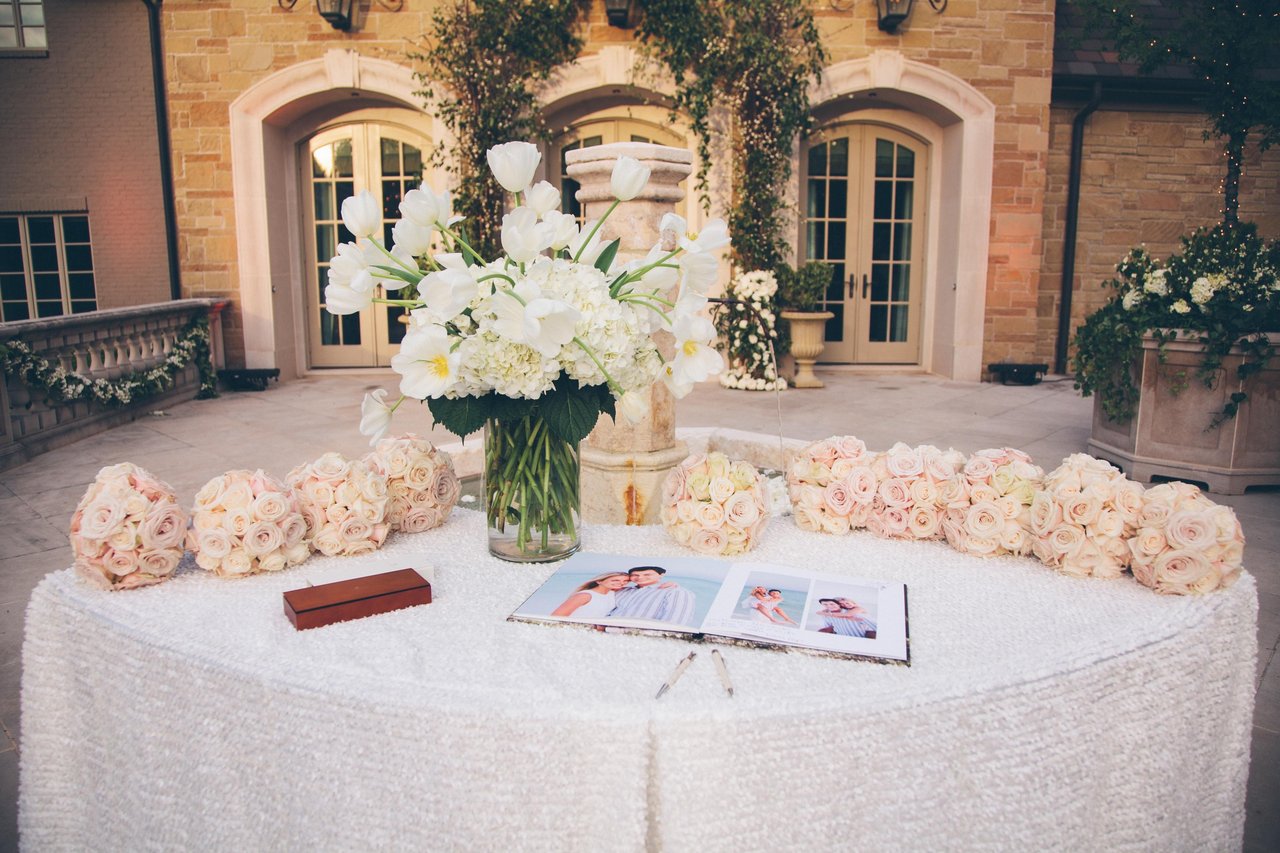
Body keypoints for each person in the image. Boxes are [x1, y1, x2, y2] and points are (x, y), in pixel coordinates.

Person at [607, 566, 696, 626]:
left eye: (647, 574)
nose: (640, 577)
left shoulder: (676, 592)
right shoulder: (621, 591)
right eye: (635, 575)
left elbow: (676, 623)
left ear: (661, 575)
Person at [551, 572, 630, 618]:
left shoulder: (612, 593)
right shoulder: (585, 595)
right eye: (615, 580)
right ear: (599, 581)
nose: (622, 583)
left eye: (626, 581)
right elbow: (557, 615)